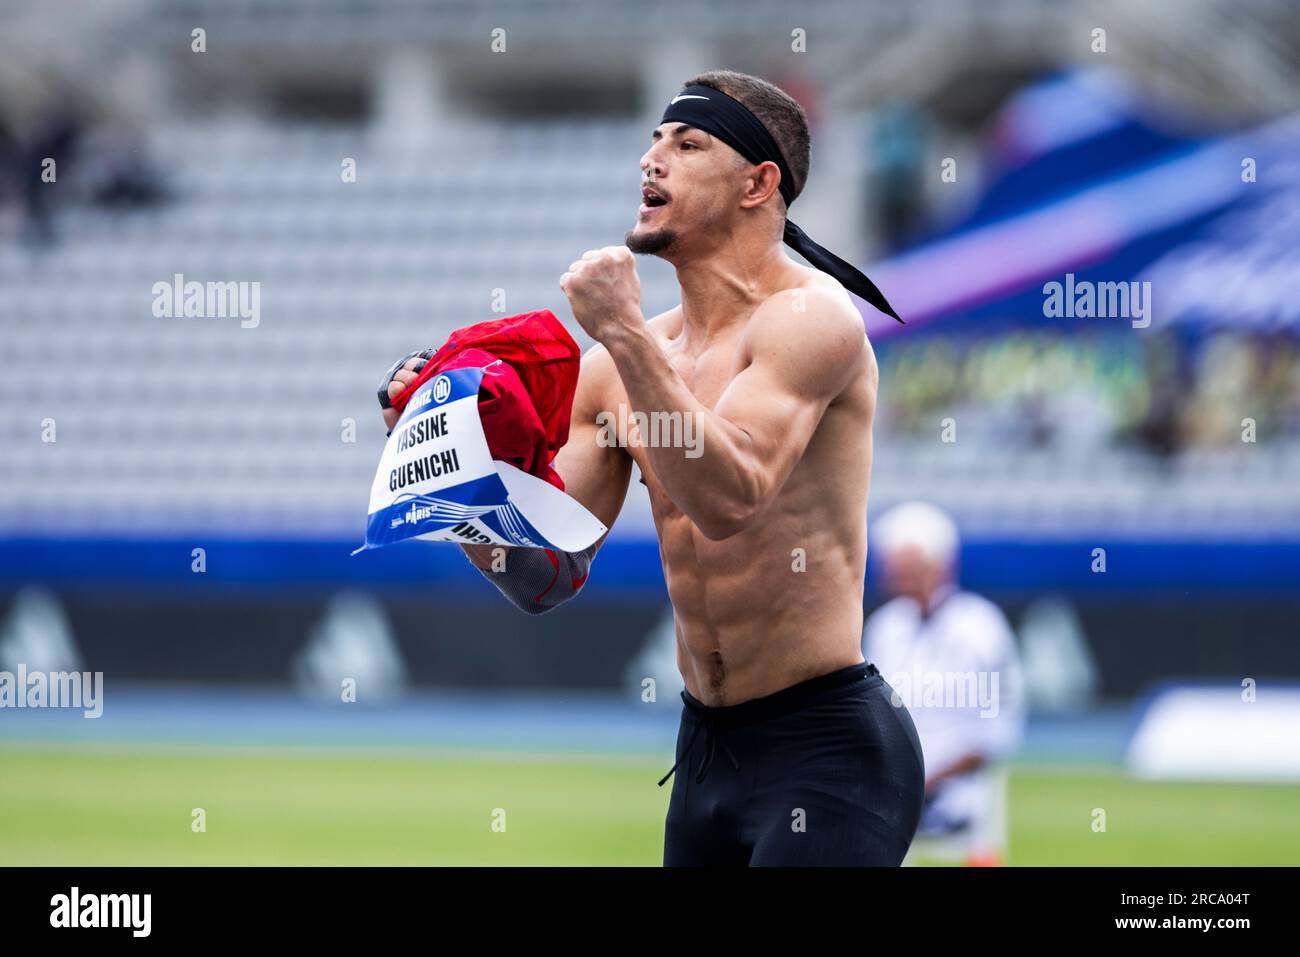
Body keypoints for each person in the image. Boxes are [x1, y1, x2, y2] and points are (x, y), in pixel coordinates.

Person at [380, 70, 922, 866]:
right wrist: (450, 473)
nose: (650, 160)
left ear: (758, 183)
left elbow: (730, 497)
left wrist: (627, 333)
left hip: (829, 751)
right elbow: (546, 575)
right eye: (654, 140)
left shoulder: (811, 320)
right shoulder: (615, 367)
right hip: (706, 750)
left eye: (687, 144)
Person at [862, 501, 1024, 865]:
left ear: (940, 566)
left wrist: (923, 782)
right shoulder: (886, 627)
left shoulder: (981, 627)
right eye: (894, 570)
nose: (899, 581)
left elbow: (995, 733)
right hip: (893, 790)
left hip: (956, 794)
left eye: (909, 569)